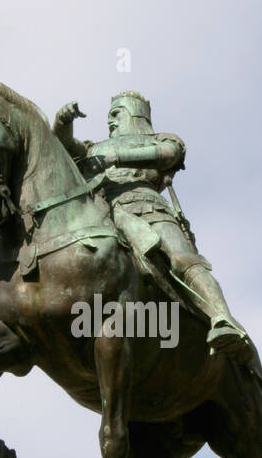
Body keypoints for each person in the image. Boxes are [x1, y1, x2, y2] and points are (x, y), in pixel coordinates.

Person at [52, 91, 250, 357]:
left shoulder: (160, 139)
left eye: (116, 113)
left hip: (148, 209)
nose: (110, 120)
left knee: (181, 259)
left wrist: (117, 158)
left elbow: (169, 154)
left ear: (134, 113)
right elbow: (63, 144)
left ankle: (221, 319)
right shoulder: (92, 149)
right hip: (101, 213)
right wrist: (63, 121)